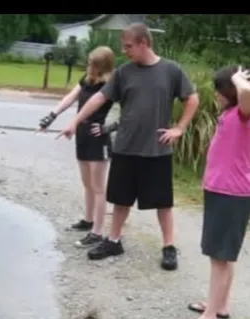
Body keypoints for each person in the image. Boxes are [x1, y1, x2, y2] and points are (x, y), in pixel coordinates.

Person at [57, 23, 200, 271]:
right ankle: (113, 240)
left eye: (129, 46)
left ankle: (168, 247)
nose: (124, 51)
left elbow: (192, 98)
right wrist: (74, 121)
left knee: (163, 203)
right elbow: (99, 98)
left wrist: (180, 128)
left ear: (144, 43)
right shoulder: (124, 72)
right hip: (125, 147)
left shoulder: (171, 70)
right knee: (120, 199)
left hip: (156, 149)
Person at [180, 66, 250, 319]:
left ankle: (210, 318)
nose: (217, 96)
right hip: (220, 189)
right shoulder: (232, 113)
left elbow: (247, 94)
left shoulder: (245, 113)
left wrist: (237, 79)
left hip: (231, 193)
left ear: (231, 90)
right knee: (223, 255)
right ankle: (220, 305)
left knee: (219, 257)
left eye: (221, 91)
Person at [38, 46, 116, 248]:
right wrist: (50, 117)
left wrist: (109, 127)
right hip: (81, 135)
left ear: (102, 66)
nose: (89, 66)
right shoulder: (87, 80)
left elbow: (131, 110)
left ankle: (97, 232)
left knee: (99, 188)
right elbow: (69, 98)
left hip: (98, 138)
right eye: (89, 62)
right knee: (87, 184)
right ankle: (88, 220)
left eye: (93, 64)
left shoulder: (110, 85)